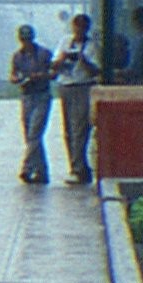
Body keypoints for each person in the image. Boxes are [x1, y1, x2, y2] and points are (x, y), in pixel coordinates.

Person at [51, 12, 102, 183]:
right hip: (66, 86)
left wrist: (82, 59)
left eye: (82, 28)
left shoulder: (92, 46)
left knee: (79, 128)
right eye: (76, 27)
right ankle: (76, 165)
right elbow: (54, 65)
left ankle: (79, 168)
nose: (78, 31)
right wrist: (63, 57)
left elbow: (96, 70)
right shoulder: (65, 42)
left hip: (83, 86)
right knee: (68, 130)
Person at [9, 24, 55, 183]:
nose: (26, 43)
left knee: (35, 132)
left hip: (42, 95)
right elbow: (13, 74)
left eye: (28, 39)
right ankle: (42, 172)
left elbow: (54, 73)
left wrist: (40, 75)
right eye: (23, 40)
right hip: (26, 96)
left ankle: (26, 168)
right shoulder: (17, 56)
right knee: (30, 135)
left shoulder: (44, 54)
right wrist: (16, 79)